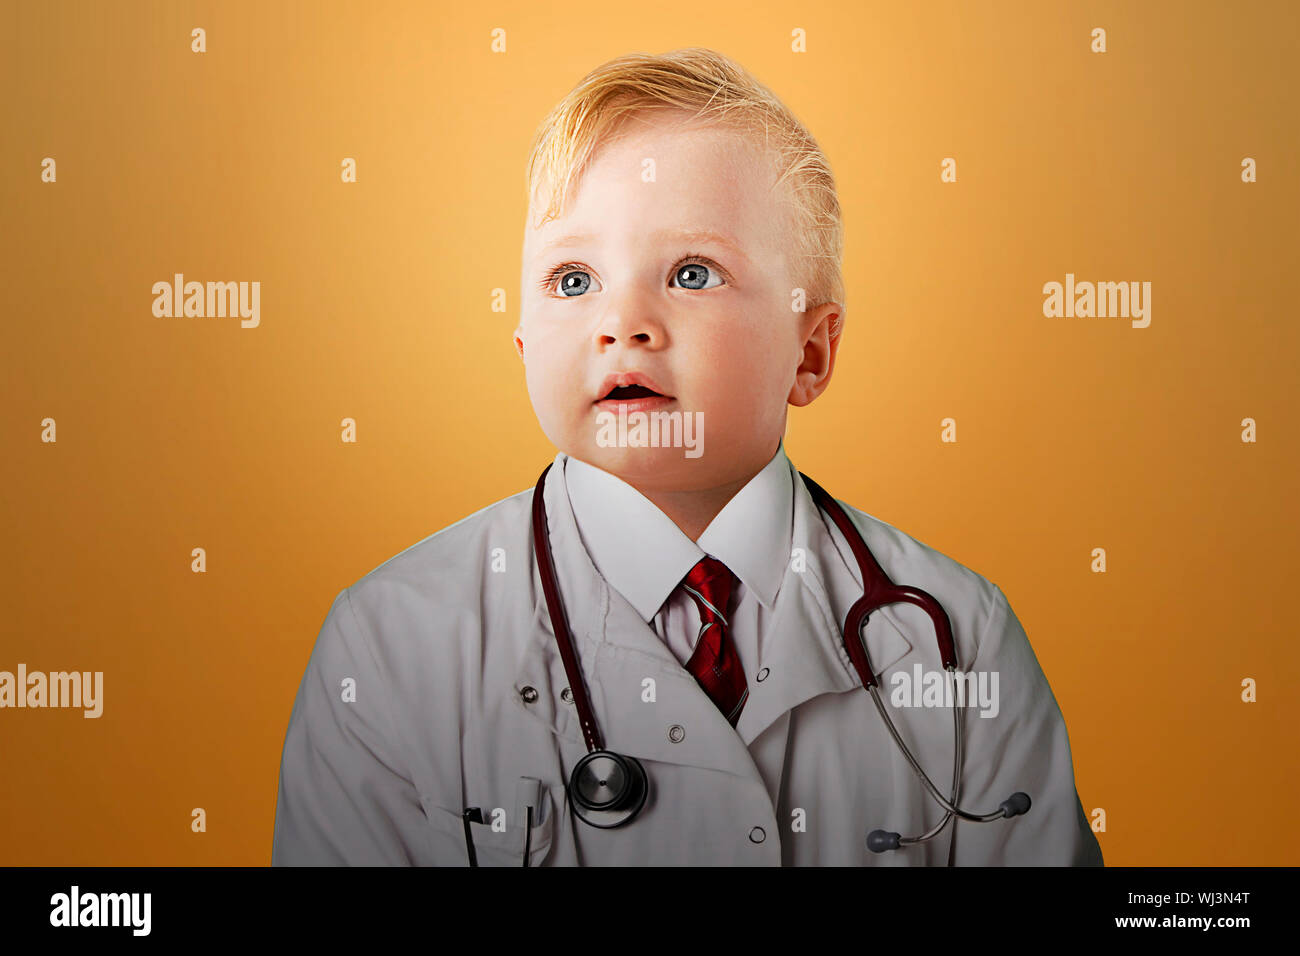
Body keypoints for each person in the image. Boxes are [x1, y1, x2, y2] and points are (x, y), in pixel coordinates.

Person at [271, 47, 1103, 866]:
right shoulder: (390, 647)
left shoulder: (957, 639)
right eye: (572, 280)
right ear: (521, 342)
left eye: (694, 273)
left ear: (809, 355)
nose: (622, 322)